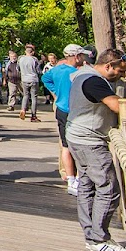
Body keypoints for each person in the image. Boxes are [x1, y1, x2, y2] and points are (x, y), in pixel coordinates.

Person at [66, 50, 126, 251]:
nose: (121, 76)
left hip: (77, 137)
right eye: (119, 72)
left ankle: (91, 234)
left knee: (86, 186)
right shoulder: (94, 82)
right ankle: (98, 238)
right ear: (108, 66)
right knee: (109, 188)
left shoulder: (81, 75)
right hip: (89, 141)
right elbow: (116, 106)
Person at [43, 44, 89, 196]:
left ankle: (71, 179)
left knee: (65, 145)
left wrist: (56, 92)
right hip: (75, 111)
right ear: (76, 57)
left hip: (61, 109)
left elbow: (45, 78)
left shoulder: (56, 70)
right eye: (82, 56)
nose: (83, 58)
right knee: (77, 144)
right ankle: (79, 177)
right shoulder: (77, 74)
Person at [18, 44, 42, 121]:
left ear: (25, 51)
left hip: (24, 79)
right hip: (33, 79)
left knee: (25, 95)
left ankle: (23, 110)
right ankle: (33, 115)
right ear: (32, 52)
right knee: (34, 97)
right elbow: (38, 71)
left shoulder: (20, 59)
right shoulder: (34, 59)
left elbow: (17, 68)